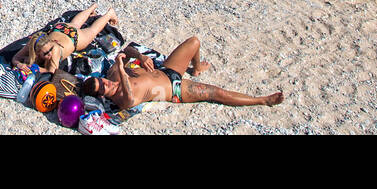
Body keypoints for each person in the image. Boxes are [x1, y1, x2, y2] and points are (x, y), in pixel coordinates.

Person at [81, 37, 283, 110]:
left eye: (103, 82)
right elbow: (131, 98)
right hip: (175, 89)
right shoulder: (121, 99)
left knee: (194, 42)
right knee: (216, 93)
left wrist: (140, 57)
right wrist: (125, 75)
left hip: (167, 70)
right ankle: (263, 100)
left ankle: (196, 68)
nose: (107, 85)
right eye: (104, 89)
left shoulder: (114, 73)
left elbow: (126, 50)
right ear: (103, 95)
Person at [11, 5, 118, 73]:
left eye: (49, 50)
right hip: (60, 28)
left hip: (74, 38)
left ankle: (109, 14)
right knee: (74, 24)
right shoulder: (33, 43)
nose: (50, 54)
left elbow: (51, 71)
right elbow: (15, 58)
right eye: (46, 53)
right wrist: (19, 64)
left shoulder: (55, 50)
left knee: (92, 30)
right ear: (37, 52)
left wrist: (34, 68)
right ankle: (91, 8)